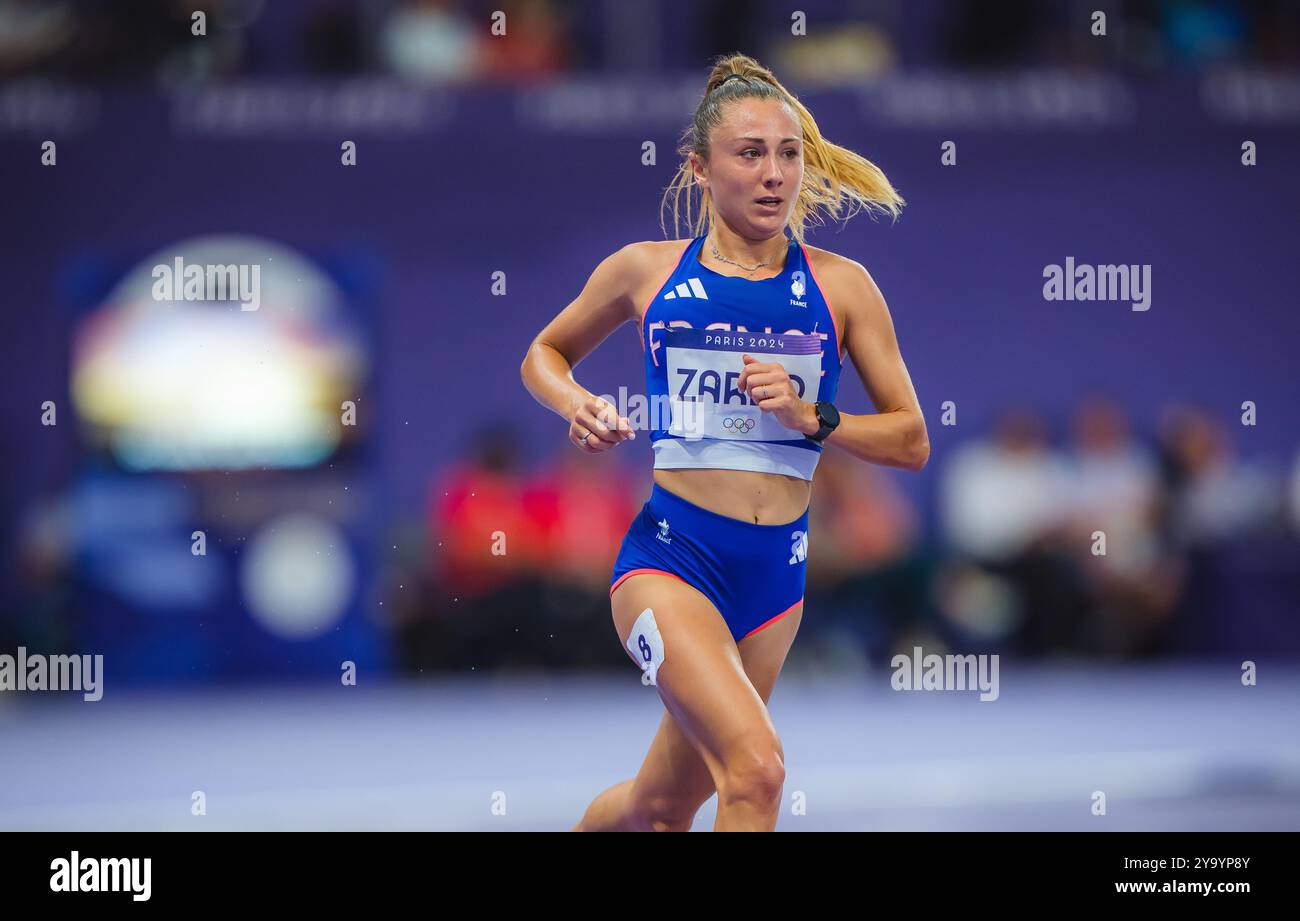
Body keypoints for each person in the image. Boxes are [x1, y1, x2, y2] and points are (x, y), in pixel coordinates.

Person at [520, 53, 928, 831]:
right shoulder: (645, 271)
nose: (775, 174)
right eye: (750, 154)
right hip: (671, 561)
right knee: (758, 769)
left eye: (788, 154)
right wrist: (578, 404)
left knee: (661, 806)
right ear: (700, 168)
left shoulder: (843, 287)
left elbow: (911, 440)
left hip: (775, 580)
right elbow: (543, 354)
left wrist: (819, 417)